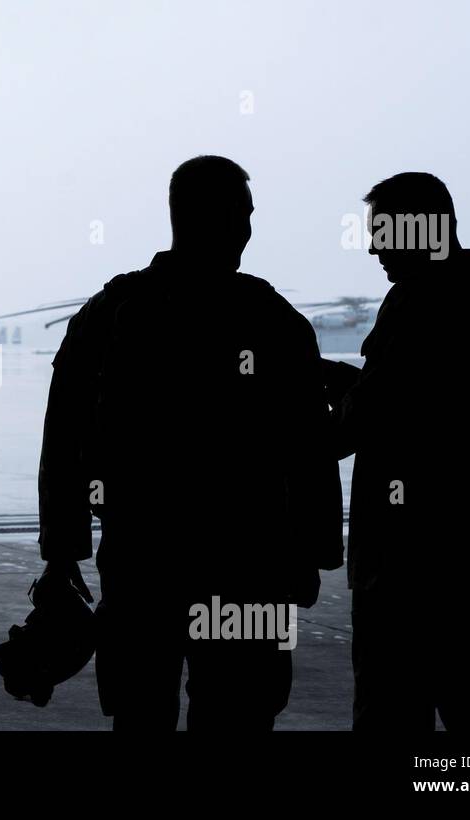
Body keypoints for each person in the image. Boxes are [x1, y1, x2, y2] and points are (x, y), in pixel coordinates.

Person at [37, 156, 343, 730]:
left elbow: (64, 441)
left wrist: (62, 552)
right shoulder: (274, 321)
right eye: (244, 213)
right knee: (238, 714)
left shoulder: (111, 315)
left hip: (142, 562)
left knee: (142, 710)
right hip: (249, 565)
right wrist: (313, 553)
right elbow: (310, 450)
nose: (248, 228)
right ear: (229, 219)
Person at [323, 172, 470, 731]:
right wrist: (353, 385)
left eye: (382, 233)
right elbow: (430, 407)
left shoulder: (419, 304)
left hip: (405, 576)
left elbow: (372, 418)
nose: (372, 247)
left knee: (389, 714)